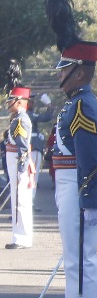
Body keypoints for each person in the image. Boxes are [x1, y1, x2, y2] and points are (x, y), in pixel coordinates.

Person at [45, 0, 97, 298]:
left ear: (79, 71)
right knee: (75, 257)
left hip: (76, 187)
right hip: (66, 185)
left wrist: (90, 202)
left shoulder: (82, 106)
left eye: (64, 68)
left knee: (80, 259)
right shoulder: (75, 104)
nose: (59, 74)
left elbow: (88, 160)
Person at [4, 87, 35, 249]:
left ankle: (21, 238)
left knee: (20, 201)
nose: (8, 103)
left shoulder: (20, 120)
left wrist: (21, 170)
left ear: (20, 102)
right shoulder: (16, 118)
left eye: (11, 100)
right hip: (14, 162)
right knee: (18, 200)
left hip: (18, 163)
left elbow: (22, 147)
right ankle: (19, 235)